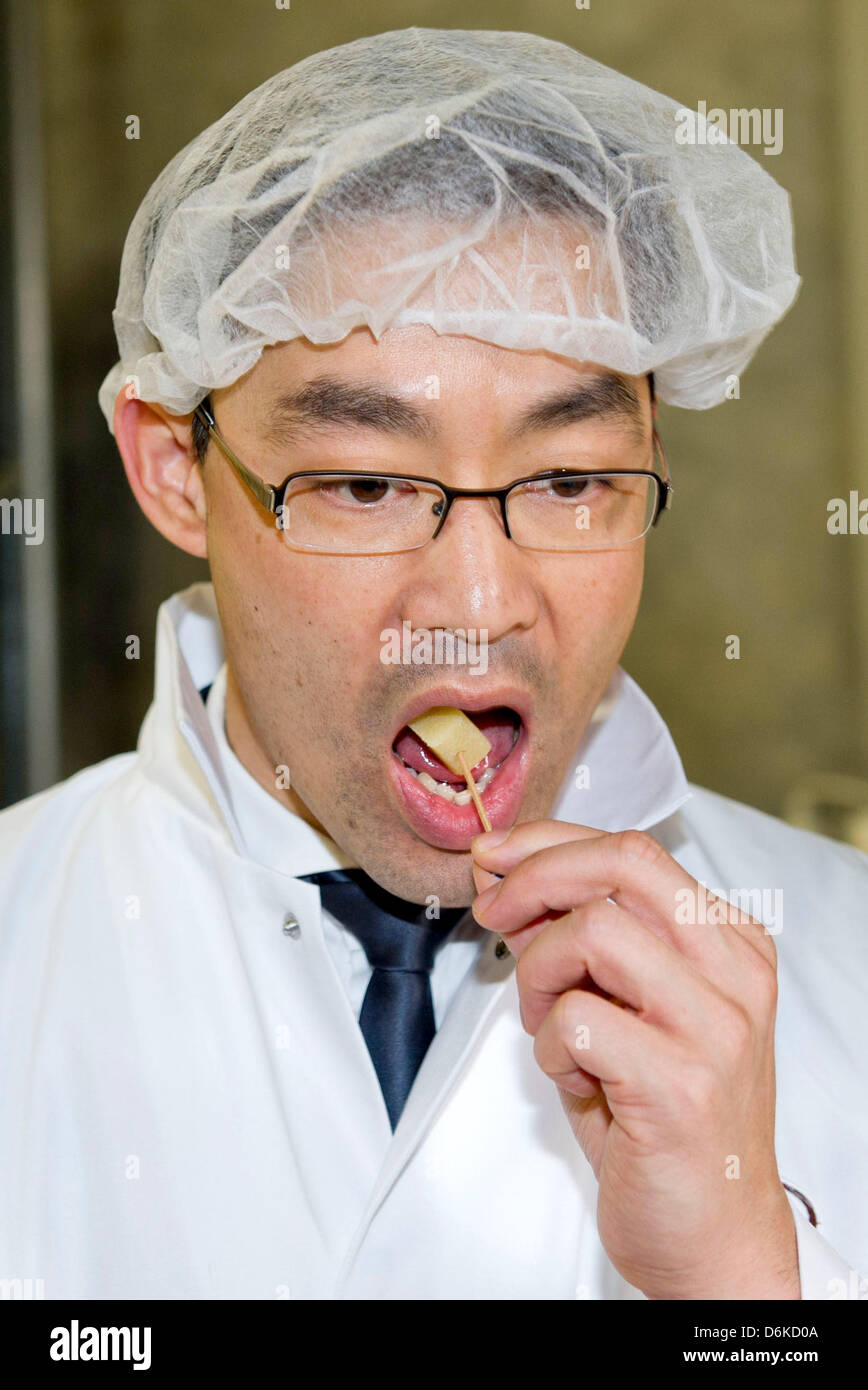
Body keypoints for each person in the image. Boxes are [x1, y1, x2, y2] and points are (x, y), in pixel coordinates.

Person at [1, 27, 866, 1301]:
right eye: (362, 482)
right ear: (174, 467)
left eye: (569, 479)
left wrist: (745, 1283)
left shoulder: (843, 948)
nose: (478, 604)